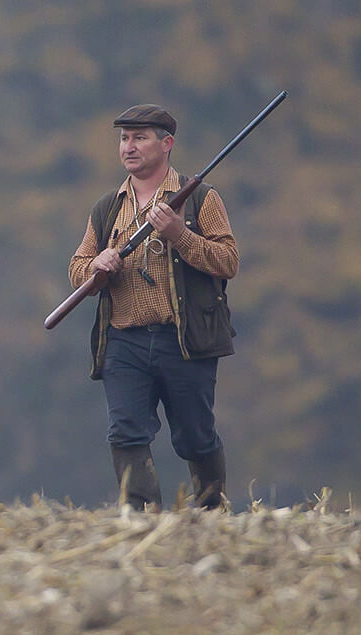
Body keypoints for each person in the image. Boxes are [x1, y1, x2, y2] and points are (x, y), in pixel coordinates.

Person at [68, 104, 240, 510]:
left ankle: (212, 510)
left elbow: (228, 261)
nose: (129, 146)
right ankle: (140, 516)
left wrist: (180, 235)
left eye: (140, 137)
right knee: (125, 431)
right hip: (124, 341)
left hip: (184, 340)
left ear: (167, 144)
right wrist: (96, 265)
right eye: (125, 138)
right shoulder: (107, 207)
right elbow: (78, 268)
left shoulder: (201, 199)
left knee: (195, 435)